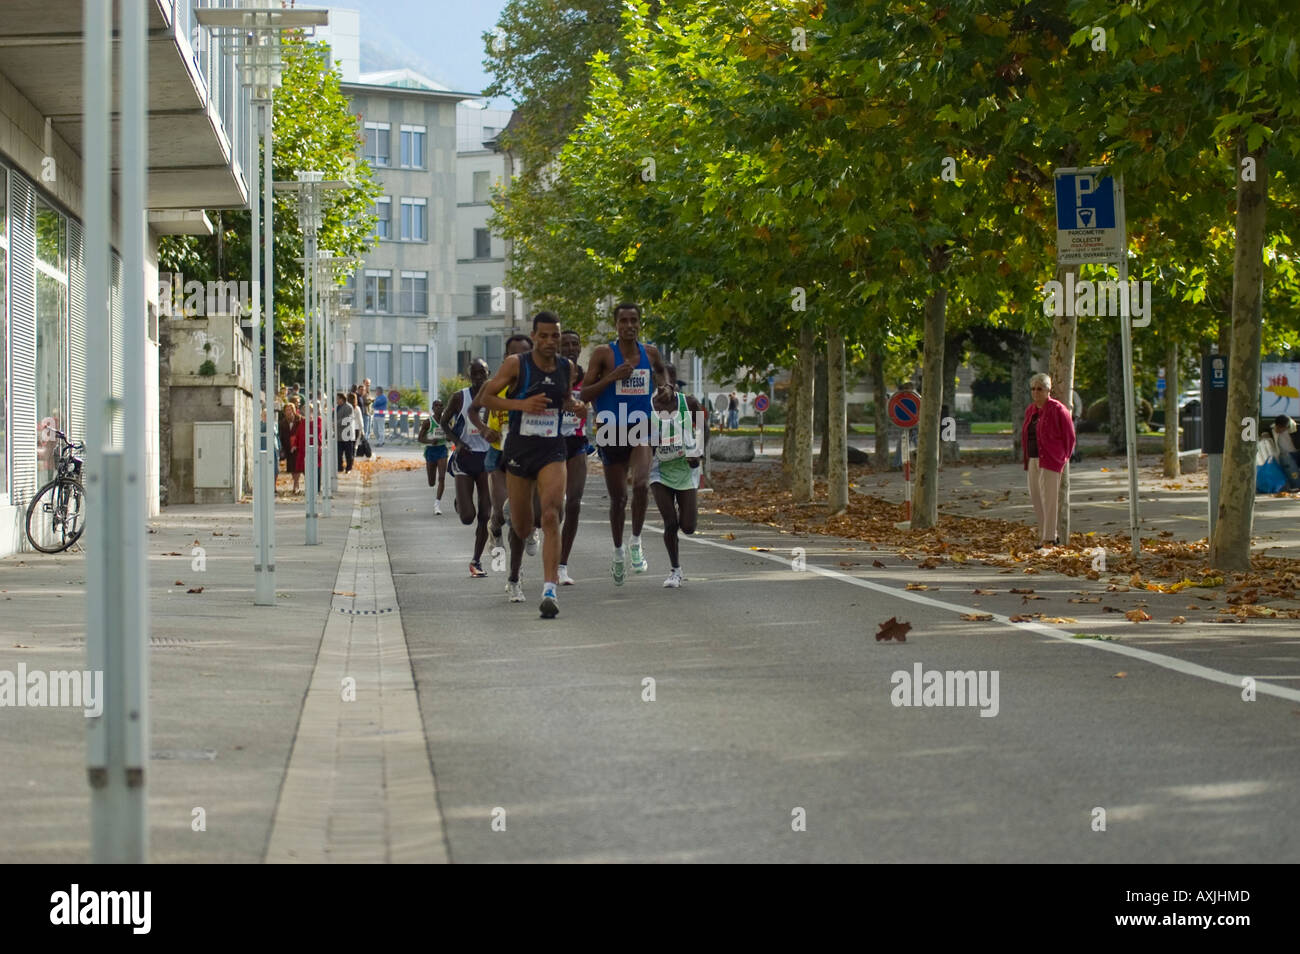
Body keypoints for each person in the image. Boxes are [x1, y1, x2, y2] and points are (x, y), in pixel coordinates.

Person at [476, 312, 586, 618]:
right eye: (545, 335)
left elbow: (563, 400)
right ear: (534, 336)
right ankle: (513, 516)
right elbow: (487, 398)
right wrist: (520, 405)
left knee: (551, 514)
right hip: (519, 451)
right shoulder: (517, 364)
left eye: (556, 336)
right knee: (523, 528)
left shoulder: (567, 368)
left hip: (552, 449)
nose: (551, 341)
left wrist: (575, 406)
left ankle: (549, 589)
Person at [581, 302, 670, 585]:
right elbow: (583, 394)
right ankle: (618, 552)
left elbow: (661, 369)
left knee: (642, 484)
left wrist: (665, 385)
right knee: (618, 499)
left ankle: (636, 542)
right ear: (616, 324)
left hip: (641, 426)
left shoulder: (650, 352)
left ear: (639, 323)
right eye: (624, 321)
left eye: (634, 320)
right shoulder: (604, 354)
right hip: (611, 428)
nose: (629, 325)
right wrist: (612, 377)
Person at [477, 334, 538, 558]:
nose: (519, 358)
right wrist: (484, 429)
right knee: (503, 509)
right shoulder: (493, 384)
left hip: (529, 450)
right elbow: (475, 410)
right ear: (506, 357)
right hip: (498, 450)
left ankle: (531, 530)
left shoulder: (537, 383)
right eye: (514, 354)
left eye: (524, 354)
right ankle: (494, 527)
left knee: (529, 505)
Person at [650, 363, 705, 587]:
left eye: (671, 375)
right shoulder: (648, 406)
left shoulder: (688, 402)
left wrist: (698, 452)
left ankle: (688, 506)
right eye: (662, 375)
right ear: (654, 379)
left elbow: (703, 428)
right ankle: (675, 570)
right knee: (670, 522)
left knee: (688, 526)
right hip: (659, 471)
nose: (667, 379)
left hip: (685, 469)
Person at [440, 360, 493, 577]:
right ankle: (460, 504)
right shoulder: (460, 397)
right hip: (465, 458)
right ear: (468, 375)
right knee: (468, 517)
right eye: (475, 374)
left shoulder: (496, 396)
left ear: (488, 373)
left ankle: (476, 561)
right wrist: (458, 443)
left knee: (485, 514)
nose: (479, 377)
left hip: (487, 458)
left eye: (482, 373)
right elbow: (444, 423)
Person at [1021, 373, 1076, 550]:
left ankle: (1050, 538)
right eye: (1033, 389)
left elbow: (1070, 437)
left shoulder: (1058, 409)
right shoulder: (1031, 410)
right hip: (1033, 459)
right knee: (1037, 498)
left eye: (1040, 389)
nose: (1036, 392)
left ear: (1048, 390)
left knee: (1049, 500)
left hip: (1051, 460)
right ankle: (1043, 535)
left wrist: (1063, 457)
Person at [557, 329, 589, 585]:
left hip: (577, 442)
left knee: (574, 504)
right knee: (550, 508)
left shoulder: (587, 377)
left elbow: (598, 402)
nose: (570, 348)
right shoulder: (549, 374)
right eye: (565, 344)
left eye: (574, 344)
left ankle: (562, 565)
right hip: (549, 442)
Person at [418, 399, 449, 514]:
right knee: (431, 482)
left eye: (441, 405)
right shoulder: (428, 422)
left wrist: (449, 437)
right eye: (436, 405)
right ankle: (432, 482)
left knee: (442, 477)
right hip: (431, 451)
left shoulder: (446, 422)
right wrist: (431, 441)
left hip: (442, 450)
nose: (439, 407)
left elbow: (450, 435)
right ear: (433, 408)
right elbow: (420, 438)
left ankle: (437, 504)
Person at [1273, 415, 1300, 489]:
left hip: (1296, 453)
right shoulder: (1273, 430)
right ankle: (1296, 487)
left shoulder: (1295, 428)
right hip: (1287, 455)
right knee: (1293, 474)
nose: (1282, 430)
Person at [286, 403, 304, 494]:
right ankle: (295, 483)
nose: (288, 412)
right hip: (288, 447)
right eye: (287, 410)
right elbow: (282, 435)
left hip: (298, 447)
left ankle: (296, 485)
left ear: (293, 410)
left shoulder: (300, 420)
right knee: (292, 468)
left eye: (290, 410)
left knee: (297, 468)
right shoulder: (283, 422)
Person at [336, 391, 356, 473]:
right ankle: (340, 467)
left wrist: (336, 423)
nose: (336, 400)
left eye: (337, 399)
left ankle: (349, 468)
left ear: (342, 399)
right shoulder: (337, 407)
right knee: (339, 453)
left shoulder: (348, 407)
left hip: (347, 434)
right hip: (339, 434)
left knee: (348, 453)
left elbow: (348, 420)